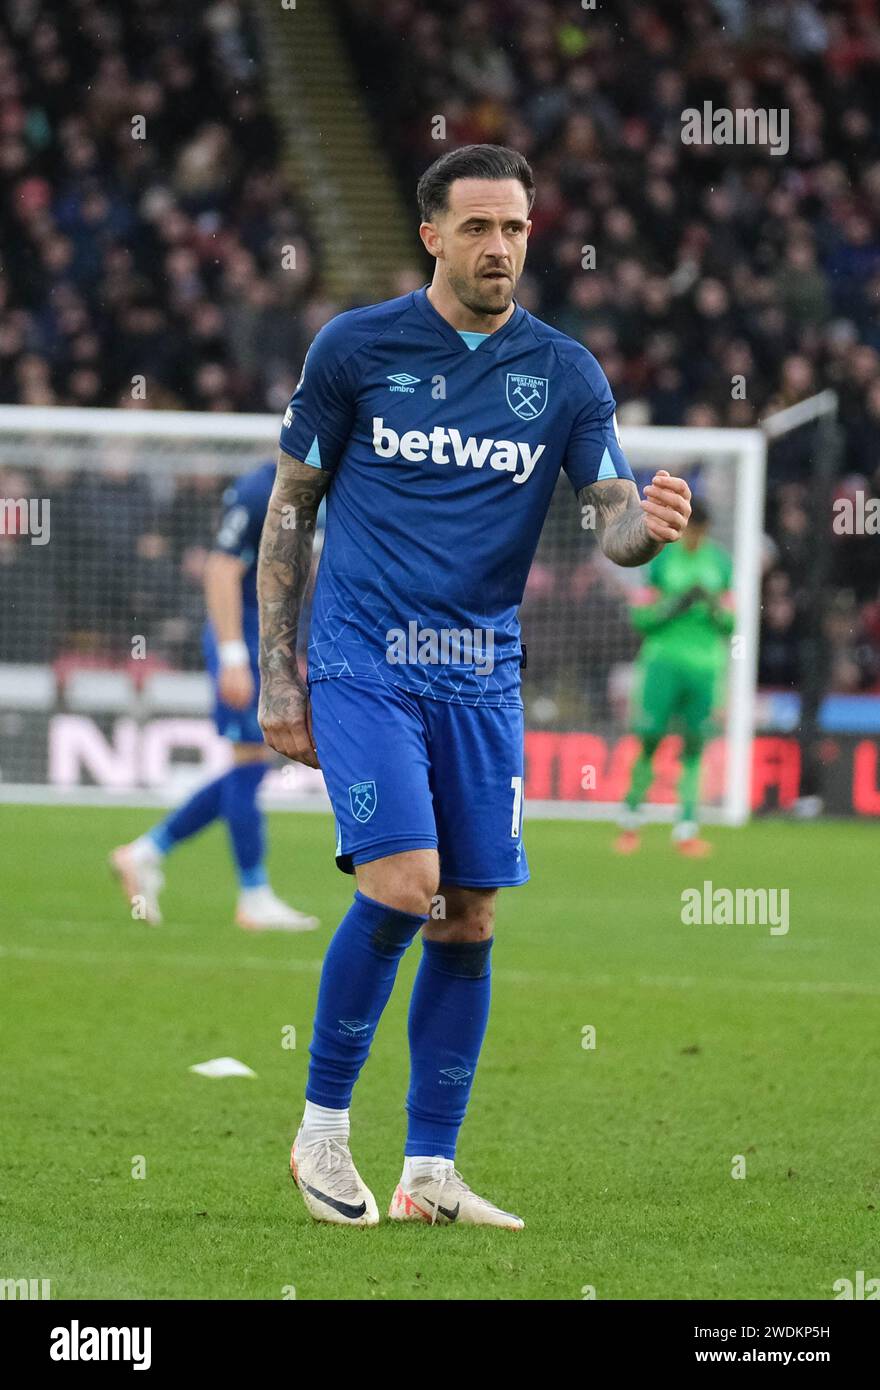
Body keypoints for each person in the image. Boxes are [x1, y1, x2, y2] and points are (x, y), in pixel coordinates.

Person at [257, 144, 691, 1228]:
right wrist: (278, 677)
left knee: (468, 917)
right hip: (363, 661)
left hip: (481, 676)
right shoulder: (355, 348)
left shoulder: (565, 373)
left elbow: (613, 526)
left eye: (516, 229)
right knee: (406, 882)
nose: (500, 247)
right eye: (479, 227)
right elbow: (290, 507)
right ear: (432, 234)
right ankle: (319, 1131)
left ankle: (430, 1171)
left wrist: (651, 528)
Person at [110, 461, 320, 932]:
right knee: (248, 764)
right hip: (245, 638)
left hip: (271, 640)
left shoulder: (320, 483)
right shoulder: (258, 488)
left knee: (248, 767)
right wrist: (231, 656)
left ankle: (144, 852)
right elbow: (222, 568)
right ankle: (253, 895)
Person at [615, 497, 733, 856]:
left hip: (705, 667)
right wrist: (673, 605)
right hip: (662, 663)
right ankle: (631, 821)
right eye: (692, 528)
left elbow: (732, 623)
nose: (695, 535)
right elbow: (641, 618)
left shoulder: (720, 564)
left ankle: (686, 828)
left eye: (701, 529)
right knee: (649, 738)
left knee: (695, 746)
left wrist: (713, 605)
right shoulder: (661, 560)